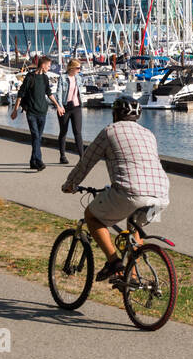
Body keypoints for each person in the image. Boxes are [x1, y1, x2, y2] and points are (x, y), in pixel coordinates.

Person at [61, 96, 169, 282]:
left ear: (115, 114)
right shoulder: (148, 134)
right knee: (135, 228)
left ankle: (113, 262)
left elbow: (86, 162)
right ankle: (132, 278)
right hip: (161, 195)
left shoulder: (109, 132)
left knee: (92, 216)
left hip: (130, 193)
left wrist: (70, 184)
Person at [12, 55, 61, 171]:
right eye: (48, 66)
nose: (49, 68)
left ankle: (32, 161)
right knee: (35, 136)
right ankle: (39, 161)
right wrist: (15, 110)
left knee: (38, 138)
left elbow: (49, 93)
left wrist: (58, 106)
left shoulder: (45, 78)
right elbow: (21, 94)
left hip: (42, 111)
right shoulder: (30, 77)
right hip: (31, 112)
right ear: (43, 65)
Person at [54, 59, 86, 164]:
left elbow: (79, 91)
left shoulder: (78, 78)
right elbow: (58, 93)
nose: (79, 70)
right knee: (63, 132)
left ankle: (82, 157)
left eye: (79, 68)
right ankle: (62, 156)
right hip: (65, 107)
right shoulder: (63, 78)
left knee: (78, 132)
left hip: (76, 106)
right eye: (77, 68)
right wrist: (59, 106)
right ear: (71, 68)